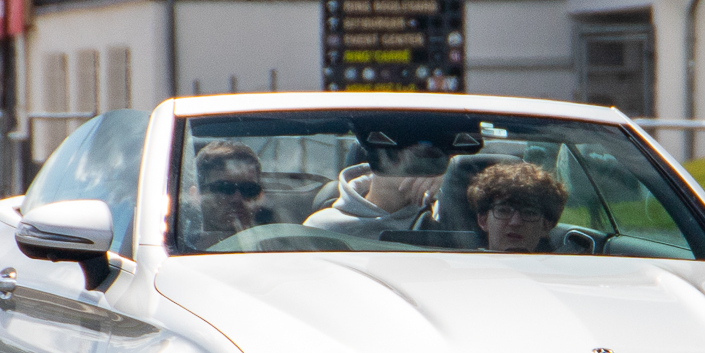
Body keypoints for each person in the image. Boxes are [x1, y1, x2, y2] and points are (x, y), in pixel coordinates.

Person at [304, 135, 450, 239]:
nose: (427, 167)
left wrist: (450, 186)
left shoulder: (445, 217)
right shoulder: (322, 228)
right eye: (394, 149)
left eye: (432, 156)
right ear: (379, 159)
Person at [469, 159, 567, 253]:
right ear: (483, 220)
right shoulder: (462, 268)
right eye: (504, 211)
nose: (515, 222)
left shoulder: (562, 269)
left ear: (546, 225)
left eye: (529, 213)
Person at [188, 140, 270, 244]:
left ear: (260, 196)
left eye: (249, 189)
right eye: (224, 188)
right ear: (195, 195)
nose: (237, 198)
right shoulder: (171, 251)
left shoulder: (278, 249)